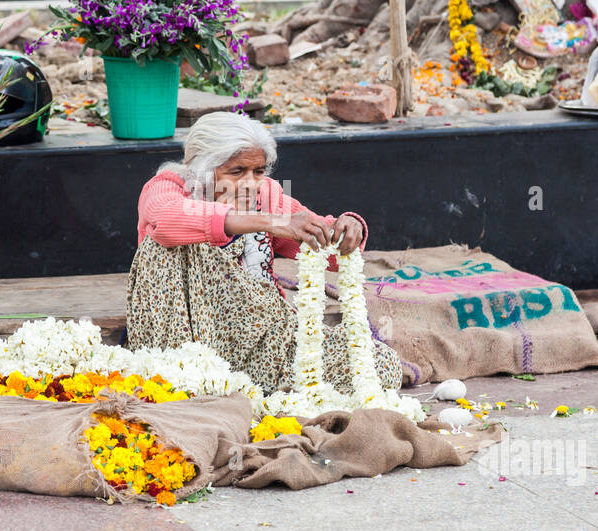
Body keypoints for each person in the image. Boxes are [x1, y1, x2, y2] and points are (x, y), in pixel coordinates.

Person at [127, 112, 402, 394]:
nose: (251, 182)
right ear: (203, 167)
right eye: (237, 171)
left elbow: (325, 248)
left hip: (265, 344)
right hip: (190, 344)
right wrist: (273, 222)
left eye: (258, 171)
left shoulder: (266, 195)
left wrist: (348, 228)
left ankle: (254, 391)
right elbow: (166, 219)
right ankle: (203, 385)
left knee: (381, 366)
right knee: (162, 243)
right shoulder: (168, 189)